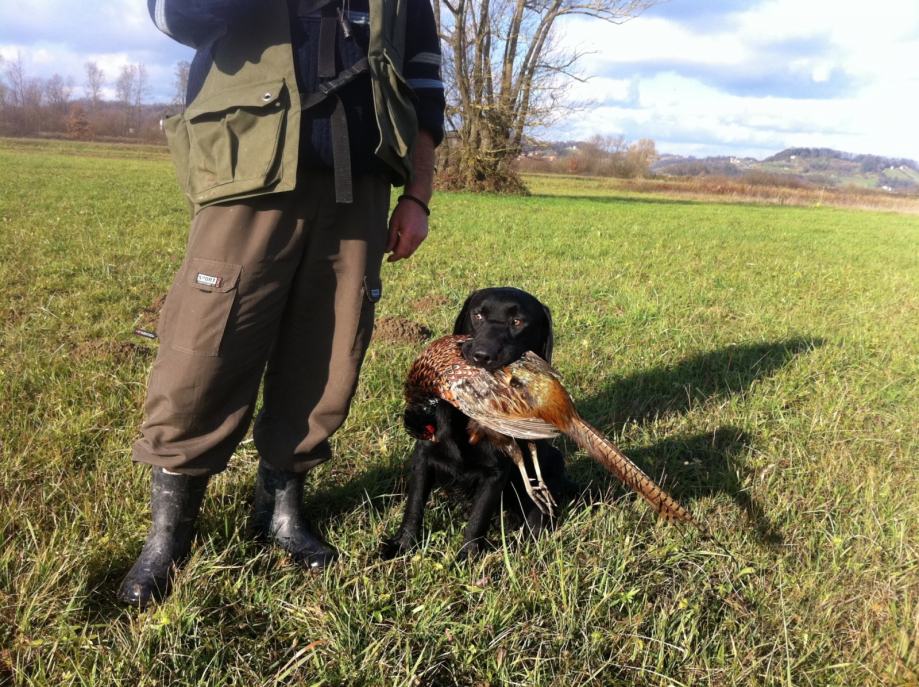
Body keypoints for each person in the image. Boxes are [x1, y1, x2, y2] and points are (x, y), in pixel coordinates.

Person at [118, 0, 445, 608]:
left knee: (329, 350)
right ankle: (168, 536)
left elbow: (425, 88)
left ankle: (281, 511)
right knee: (203, 349)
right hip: (247, 173)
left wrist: (417, 196)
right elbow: (173, 16)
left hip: (361, 185)